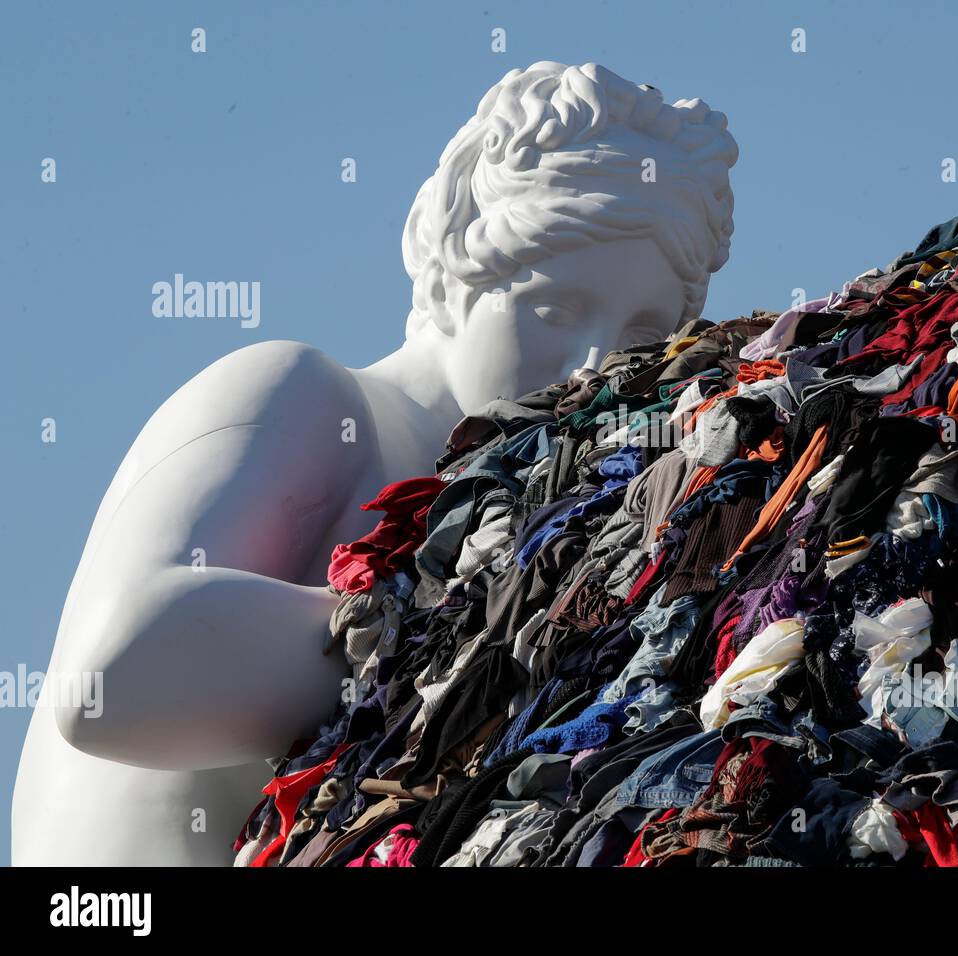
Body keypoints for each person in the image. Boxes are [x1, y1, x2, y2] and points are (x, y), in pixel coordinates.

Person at [12, 61, 738, 865]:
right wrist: (493, 634)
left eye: (641, 338)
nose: (592, 364)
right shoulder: (307, 395)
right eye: (552, 309)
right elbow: (113, 681)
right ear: (450, 272)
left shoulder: (561, 507)